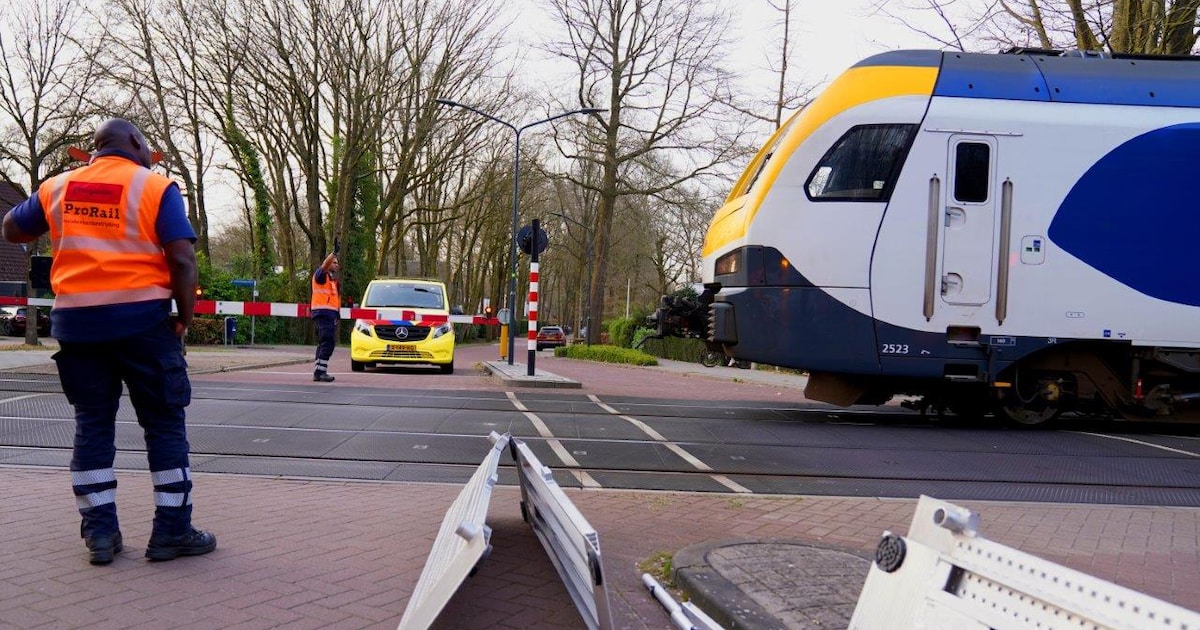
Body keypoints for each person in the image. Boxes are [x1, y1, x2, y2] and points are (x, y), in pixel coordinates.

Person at [2, 118, 216, 565]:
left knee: (93, 426)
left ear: (95, 148)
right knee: (163, 424)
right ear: (135, 143)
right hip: (144, 325)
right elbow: (181, 255)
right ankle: (171, 532)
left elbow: (12, 230)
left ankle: (100, 535)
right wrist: (185, 315)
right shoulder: (155, 187)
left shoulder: (57, 187)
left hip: (78, 327)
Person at [311, 252, 340, 382]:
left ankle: (319, 371)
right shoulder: (320, 275)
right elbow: (324, 266)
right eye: (334, 262)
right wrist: (333, 253)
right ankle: (320, 371)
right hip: (323, 314)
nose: (337, 265)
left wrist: (337, 314)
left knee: (323, 342)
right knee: (328, 342)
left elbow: (333, 300)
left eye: (337, 263)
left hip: (328, 314)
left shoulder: (330, 279)